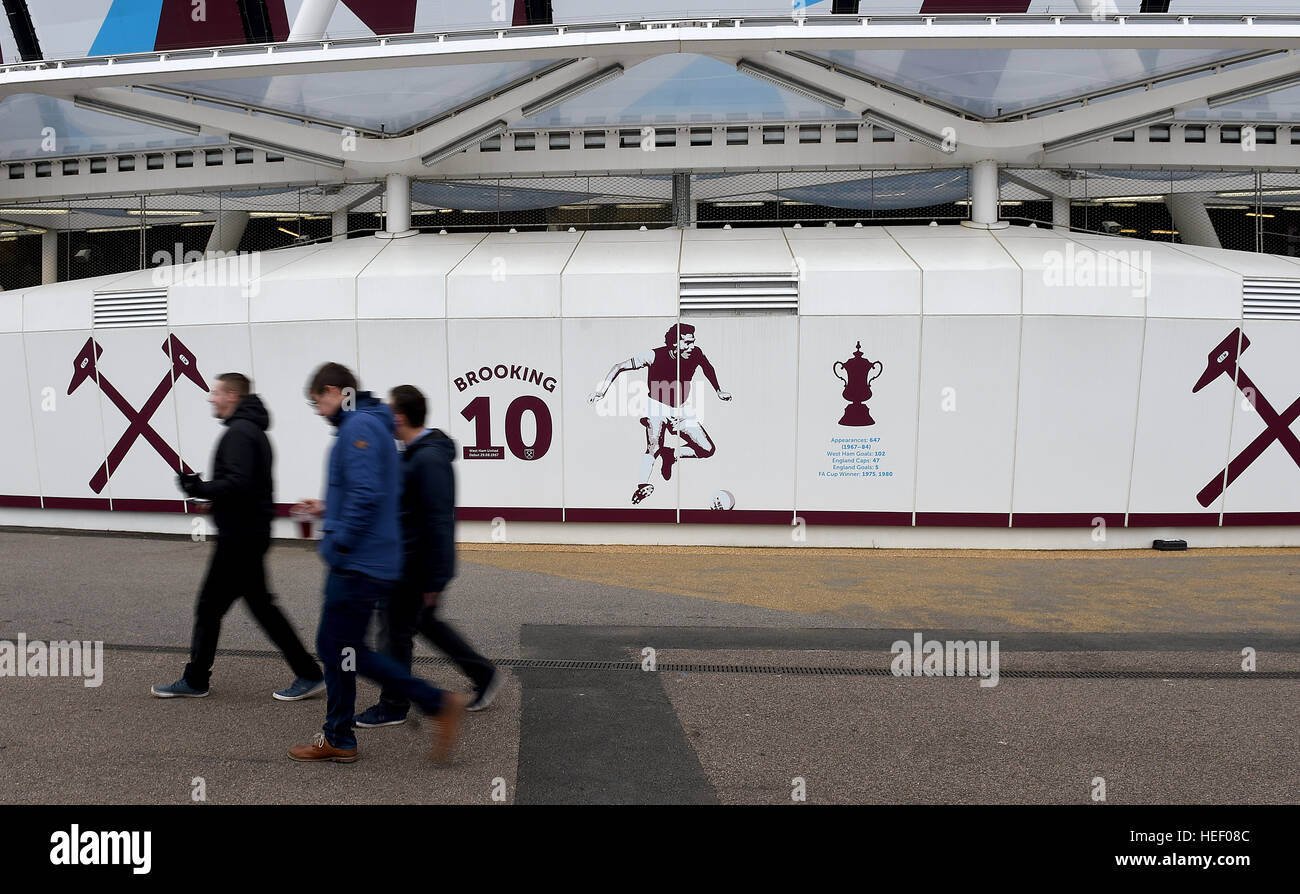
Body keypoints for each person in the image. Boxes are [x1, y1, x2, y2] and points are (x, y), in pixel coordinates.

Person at [289, 363, 467, 764]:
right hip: (369, 560)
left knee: (340, 647)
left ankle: (435, 703)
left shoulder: (359, 427)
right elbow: (372, 491)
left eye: (317, 401)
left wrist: (342, 544)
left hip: (358, 563)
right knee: (342, 648)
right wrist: (327, 508)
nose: (318, 410)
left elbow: (368, 496)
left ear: (334, 391)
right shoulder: (373, 425)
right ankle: (340, 735)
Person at [152, 373, 324, 700]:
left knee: (213, 608)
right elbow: (245, 486)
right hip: (248, 533)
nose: (210, 398)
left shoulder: (240, 433)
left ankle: (197, 680)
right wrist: (215, 500)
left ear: (232, 395)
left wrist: (199, 488)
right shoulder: (250, 431)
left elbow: (239, 483)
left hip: (239, 539)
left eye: (216, 393)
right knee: (259, 608)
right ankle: (307, 673)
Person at [354, 385, 500, 729]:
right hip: (409, 563)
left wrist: (436, 578)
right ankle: (483, 674)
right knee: (422, 625)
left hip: (416, 568)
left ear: (400, 417)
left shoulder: (428, 459)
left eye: (389, 412)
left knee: (393, 633)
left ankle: (393, 705)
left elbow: (439, 521)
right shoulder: (414, 453)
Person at [588, 323, 732, 505]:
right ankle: (642, 485)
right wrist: (601, 392)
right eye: (686, 343)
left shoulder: (696, 353)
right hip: (655, 406)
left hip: (681, 409)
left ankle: (671, 454)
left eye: (693, 342)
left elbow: (708, 368)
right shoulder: (654, 355)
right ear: (674, 343)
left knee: (707, 449)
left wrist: (719, 390)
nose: (691, 347)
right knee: (654, 446)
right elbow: (618, 367)